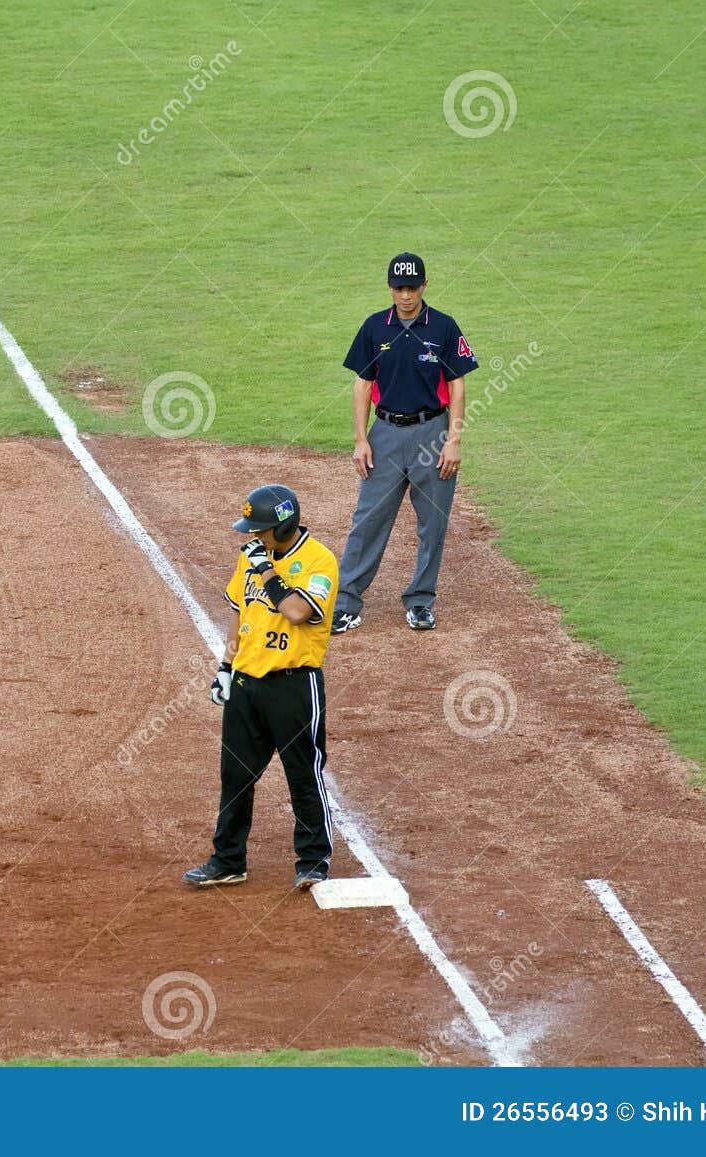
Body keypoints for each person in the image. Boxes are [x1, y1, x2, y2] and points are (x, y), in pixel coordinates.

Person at [184, 484, 339, 890]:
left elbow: (298, 611)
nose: (254, 537)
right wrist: (224, 666)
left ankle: (312, 861)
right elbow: (240, 611)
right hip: (246, 684)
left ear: (284, 527)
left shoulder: (319, 561)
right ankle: (228, 860)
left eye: (261, 530)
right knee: (235, 777)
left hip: (293, 688)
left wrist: (266, 571)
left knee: (303, 774)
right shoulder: (251, 557)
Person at [332, 253, 477, 634]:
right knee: (368, 519)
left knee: (433, 525)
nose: (406, 295)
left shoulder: (444, 327)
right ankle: (347, 602)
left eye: (413, 288)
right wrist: (361, 439)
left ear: (424, 286)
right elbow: (362, 385)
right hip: (386, 435)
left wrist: (454, 440)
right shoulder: (374, 328)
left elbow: (458, 383)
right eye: (400, 288)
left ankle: (420, 601)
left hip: (433, 433)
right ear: (390, 288)